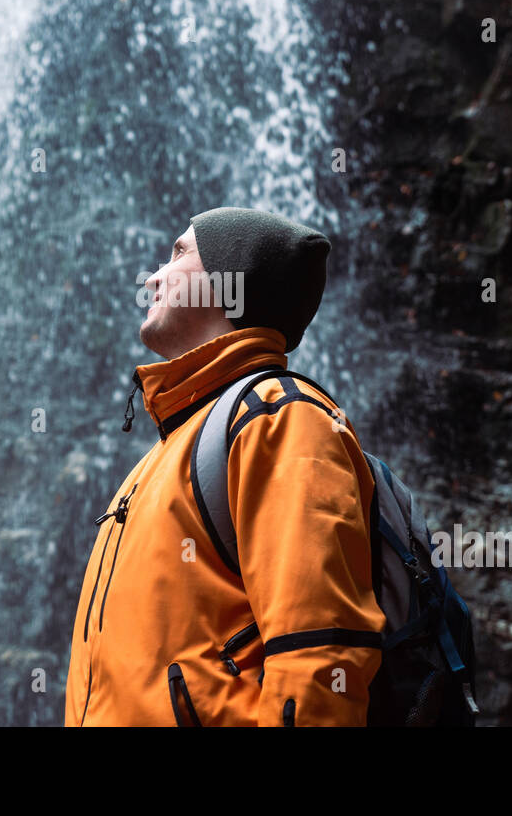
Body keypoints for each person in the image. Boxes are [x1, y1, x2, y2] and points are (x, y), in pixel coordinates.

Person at [63, 206, 385, 726]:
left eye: (180, 252)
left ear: (227, 279)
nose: (152, 277)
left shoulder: (280, 417)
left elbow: (320, 653)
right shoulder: (168, 450)